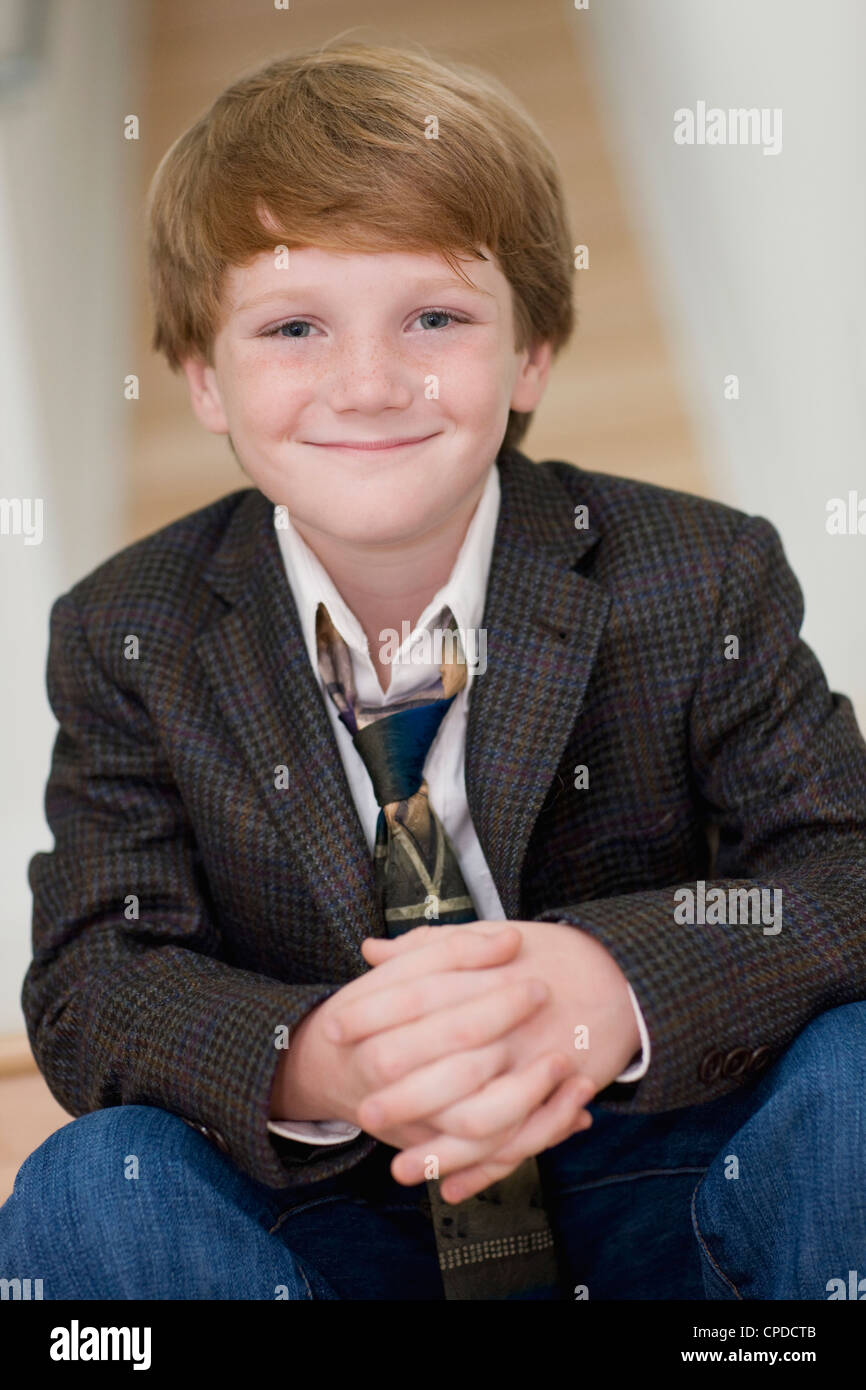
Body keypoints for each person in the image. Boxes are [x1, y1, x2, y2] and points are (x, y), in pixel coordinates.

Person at [2, 40, 866, 1301]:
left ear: (528, 356)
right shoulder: (125, 632)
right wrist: (319, 1057)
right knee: (92, 1181)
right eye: (293, 326)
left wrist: (611, 982)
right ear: (201, 375)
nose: (367, 381)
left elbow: (839, 868)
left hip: (668, 1179)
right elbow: (97, 981)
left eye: (435, 317)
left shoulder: (698, 573)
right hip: (344, 1228)